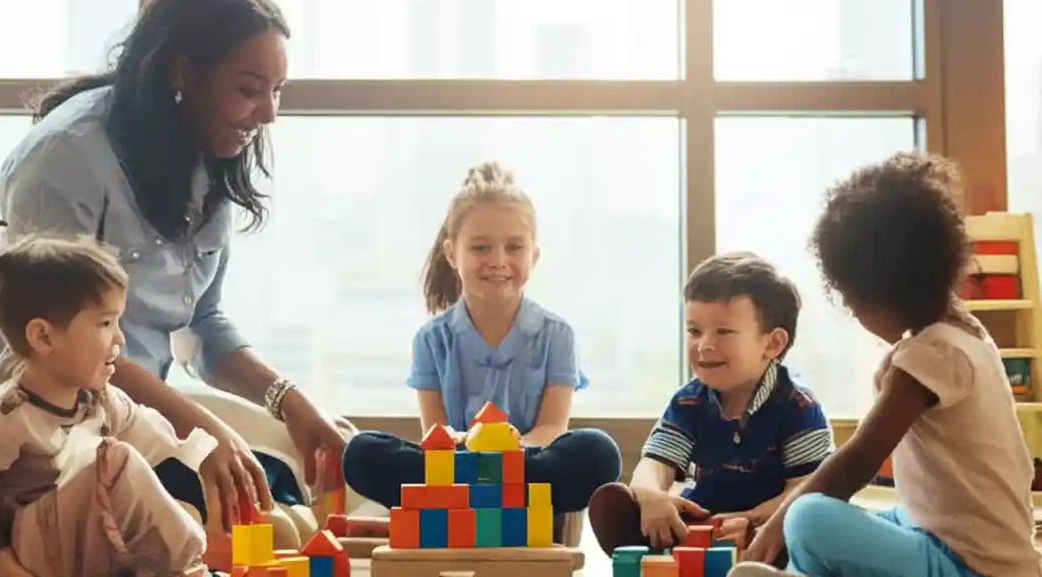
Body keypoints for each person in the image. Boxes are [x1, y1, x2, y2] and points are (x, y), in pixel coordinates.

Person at [0, 0, 347, 539]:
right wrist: (200, 431)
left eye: (277, 90)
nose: (268, 114)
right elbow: (65, 350)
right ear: (183, 71)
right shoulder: (65, 157)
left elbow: (200, 328)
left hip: (132, 410)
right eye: (249, 88)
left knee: (297, 487)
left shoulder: (208, 152)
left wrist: (288, 401)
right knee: (255, 531)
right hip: (46, 419)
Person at [732, 153, 1042, 577]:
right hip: (945, 534)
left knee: (809, 518)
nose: (855, 314)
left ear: (879, 294)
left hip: (971, 566)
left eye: (851, 301)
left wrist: (779, 521)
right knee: (873, 518)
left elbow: (859, 458)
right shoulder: (964, 330)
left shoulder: (932, 354)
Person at [341, 162, 622, 526]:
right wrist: (470, 452)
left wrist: (504, 454)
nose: (498, 261)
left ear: (534, 255)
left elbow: (552, 429)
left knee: (599, 453)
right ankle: (471, 495)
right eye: (480, 248)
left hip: (527, 471)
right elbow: (435, 434)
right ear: (451, 253)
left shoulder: (557, 335)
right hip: (455, 469)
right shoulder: (431, 340)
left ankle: (482, 493)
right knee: (361, 453)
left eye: (514, 247)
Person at [0, 221, 209, 577]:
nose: (119, 339)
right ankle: (190, 566)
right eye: (104, 324)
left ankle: (183, 563)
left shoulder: (99, 400)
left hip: (77, 548)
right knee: (113, 459)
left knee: (144, 474)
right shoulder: (7, 419)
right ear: (43, 337)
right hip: (25, 558)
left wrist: (206, 466)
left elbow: (161, 442)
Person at [587, 251, 833, 556]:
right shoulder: (688, 401)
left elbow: (806, 486)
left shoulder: (799, 407)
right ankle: (654, 553)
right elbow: (655, 464)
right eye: (694, 331)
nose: (704, 344)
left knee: (808, 519)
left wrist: (753, 519)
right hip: (700, 523)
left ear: (773, 343)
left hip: (764, 526)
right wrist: (651, 495)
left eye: (723, 332)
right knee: (619, 501)